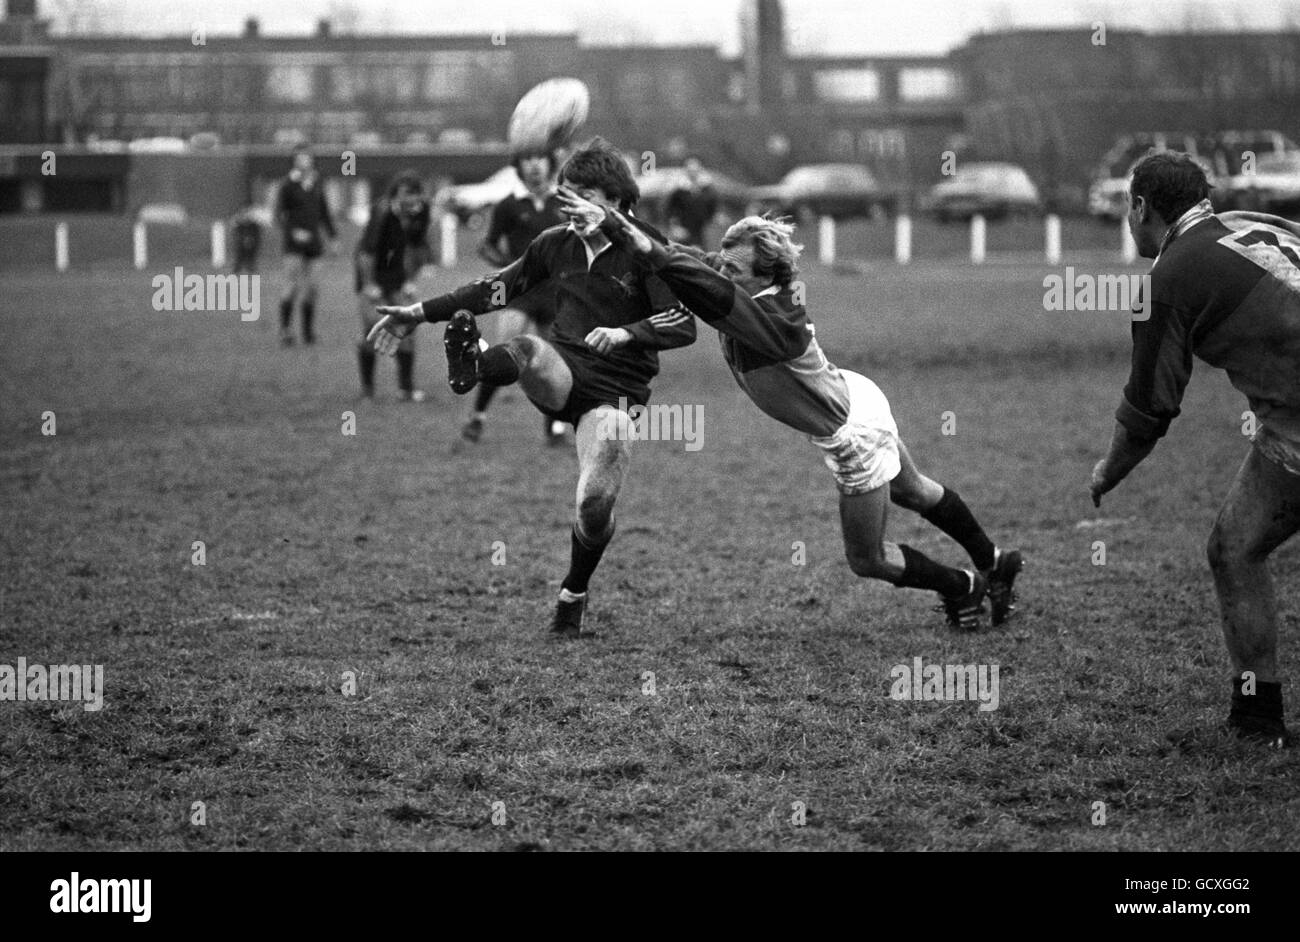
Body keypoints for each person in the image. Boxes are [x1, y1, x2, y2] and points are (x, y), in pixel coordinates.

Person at [606, 210, 1022, 630]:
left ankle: (962, 585)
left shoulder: (772, 322)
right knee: (914, 491)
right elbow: (692, 260)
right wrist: (618, 218)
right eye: (724, 264)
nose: (723, 274)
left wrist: (652, 254)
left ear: (767, 275)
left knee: (867, 558)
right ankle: (995, 560)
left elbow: (708, 293)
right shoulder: (748, 283)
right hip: (854, 394)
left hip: (851, 432)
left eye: (733, 269)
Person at [367, 138, 696, 639]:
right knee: (526, 347)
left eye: (579, 193)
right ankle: (476, 362)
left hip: (619, 390)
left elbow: (682, 324)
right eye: (565, 194)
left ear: (612, 198)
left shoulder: (646, 249)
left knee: (595, 504)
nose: (567, 204)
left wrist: (629, 333)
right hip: (564, 366)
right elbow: (495, 288)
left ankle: (574, 592)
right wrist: (419, 313)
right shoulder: (554, 244)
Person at [1089, 150, 1300, 748]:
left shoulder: (1166, 283)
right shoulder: (1251, 222)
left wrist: (1109, 470)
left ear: (1139, 206)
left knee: (1235, 552)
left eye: (1129, 211)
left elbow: (1149, 411)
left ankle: (1258, 720)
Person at [464, 149, 568, 446]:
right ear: (519, 167)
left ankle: (555, 429)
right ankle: (477, 418)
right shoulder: (509, 206)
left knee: (555, 363)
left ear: (550, 164)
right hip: (519, 293)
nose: (535, 165)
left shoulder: (563, 202)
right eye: (528, 159)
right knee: (505, 353)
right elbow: (486, 246)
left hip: (554, 294)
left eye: (540, 159)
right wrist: (510, 267)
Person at [354, 172, 433, 401]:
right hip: (372, 274)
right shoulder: (381, 213)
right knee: (373, 327)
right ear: (395, 196)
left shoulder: (422, 212)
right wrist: (369, 285)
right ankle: (367, 389)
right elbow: (366, 254)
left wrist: (410, 280)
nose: (412, 200)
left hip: (397, 274)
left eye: (415, 194)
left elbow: (418, 250)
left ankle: (406, 390)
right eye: (407, 194)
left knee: (408, 327)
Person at [274, 145, 337, 346]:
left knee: (312, 288)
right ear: (294, 160)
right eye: (300, 157)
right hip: (293, 243)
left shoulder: (317, 181)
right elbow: (278, 216)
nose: (304, 161)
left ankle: (308, 333)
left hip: (314, 242)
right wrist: (293, 231)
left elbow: (324, 211)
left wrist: (333, 237)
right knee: (291, 285)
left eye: (307, 157)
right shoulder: (287, 184)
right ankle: (285, 330)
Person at [665, 157, 720, 249]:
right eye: (690, 170)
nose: (693, 173)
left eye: (695, 170)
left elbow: (712, 208)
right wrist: (675, 227)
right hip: (683, 229)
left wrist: (714, 219)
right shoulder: (679, 190)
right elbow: (670, 210)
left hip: (701, 230)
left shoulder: (707, 189)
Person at [231, 203, 263, 274]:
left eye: (247, 212)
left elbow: (257, 235)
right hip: (241, 245)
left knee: (251, 259)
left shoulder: (254, 225)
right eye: (244, 212)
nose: (246, 215)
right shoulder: (239, 224)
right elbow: (236, 235)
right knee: (239, 259)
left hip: (252, 245)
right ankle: (236, 273)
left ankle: (251, 273)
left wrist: (252, 240)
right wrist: (243, 240)